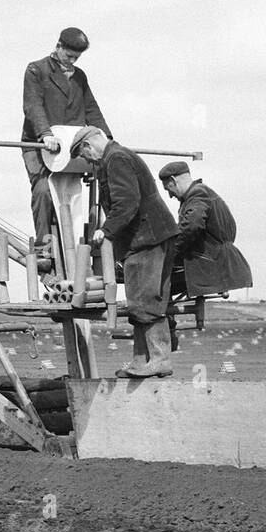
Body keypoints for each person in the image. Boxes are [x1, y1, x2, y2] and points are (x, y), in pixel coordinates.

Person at [72, 127, 177, 378]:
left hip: (148, 238)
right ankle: (142, 361)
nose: (87, 161)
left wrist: (106, 230)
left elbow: (127, 202)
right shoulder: (115, 157)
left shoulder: (116, 159)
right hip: (142, 240)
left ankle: (160, 359)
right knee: (138, 302)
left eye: (84, 156)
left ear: (88, 146)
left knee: (147, 299)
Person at [21, 28, 110, 271]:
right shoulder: (36, 70)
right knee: (43, 190)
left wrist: (108, 141)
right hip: (39, 145)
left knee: (74, 195)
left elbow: (92, 110)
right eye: (69, 56)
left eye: (76, 58)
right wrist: (45, 133)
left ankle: (86, 247)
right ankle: (44, 249)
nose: (72, 61)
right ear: (58, 46)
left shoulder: (79, 76)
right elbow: (33, 106)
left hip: (70, 147)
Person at [158, 161, 253, 297]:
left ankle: (159, 317)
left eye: (169, 189)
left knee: (151, 284)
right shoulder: (204, 193)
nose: (170, 195)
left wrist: (169, 254)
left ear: (173, 180)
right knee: (158, 287)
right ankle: (164, 316)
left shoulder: (197, 195)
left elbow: (191, 227)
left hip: (209, 265)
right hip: (218, 261)